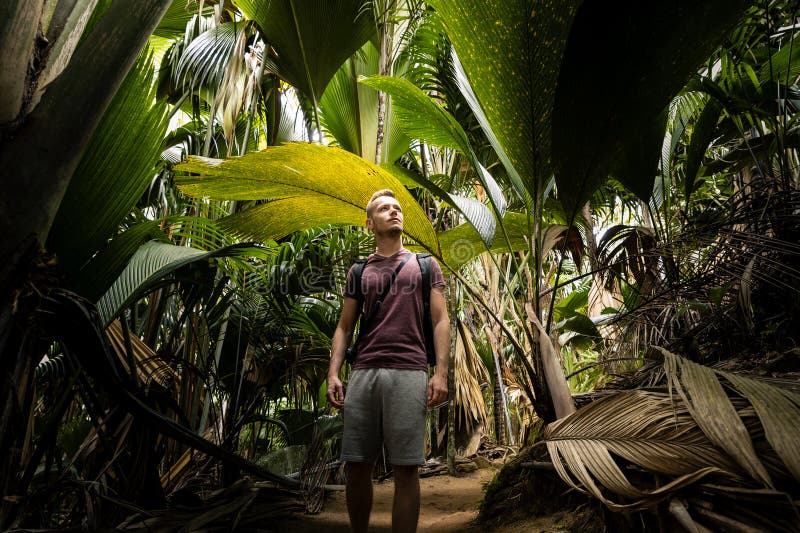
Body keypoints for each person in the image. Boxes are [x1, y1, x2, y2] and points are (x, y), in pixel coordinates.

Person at [326, 189, 450, 533]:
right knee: (356, 465)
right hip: (364, 372)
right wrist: (333, 372)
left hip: (409, 370)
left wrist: (440, 373)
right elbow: (344, 325)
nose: (394, 211)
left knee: (406, 468)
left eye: (397, 208)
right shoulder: (359, 270)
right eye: (384, 208)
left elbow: (441, 320)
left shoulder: (424, 265)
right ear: (370, 223)